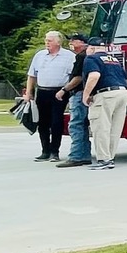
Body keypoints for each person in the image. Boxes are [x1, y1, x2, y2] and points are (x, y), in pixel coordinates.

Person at [23, 31, 76, 162]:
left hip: (59, 92)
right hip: (42, 91)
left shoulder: (69, 56)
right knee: (42, 122)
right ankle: (45, 151)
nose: (47, 43)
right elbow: (32, 75)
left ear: (58, 42)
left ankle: (54, 151)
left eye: (50, 40)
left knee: (56, 121)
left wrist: (65, 90)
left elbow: (74, 76)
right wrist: (29, 92)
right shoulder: (39, 55)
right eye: (46, 40)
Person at [82, 46, 127, 170]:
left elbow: (94, 75)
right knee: (115, 129)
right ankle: (110, 158)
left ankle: (103, 160)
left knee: (101, 128)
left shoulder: (91, 58)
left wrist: (86, 95)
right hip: (123, 93)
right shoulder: (114, 59)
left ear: (91, 48)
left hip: (105, 95)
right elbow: (125, 77)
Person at [55, 34, 93, 167]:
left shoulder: (82, 56)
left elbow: (78, 77)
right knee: (83, 125)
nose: (70, 43)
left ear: (82, 43)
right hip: (88, 93)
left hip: (79, 93)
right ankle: (85, 155)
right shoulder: (91, 56)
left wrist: (64, 90)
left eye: (73, 40)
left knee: (76, 124)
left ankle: (76, 156)